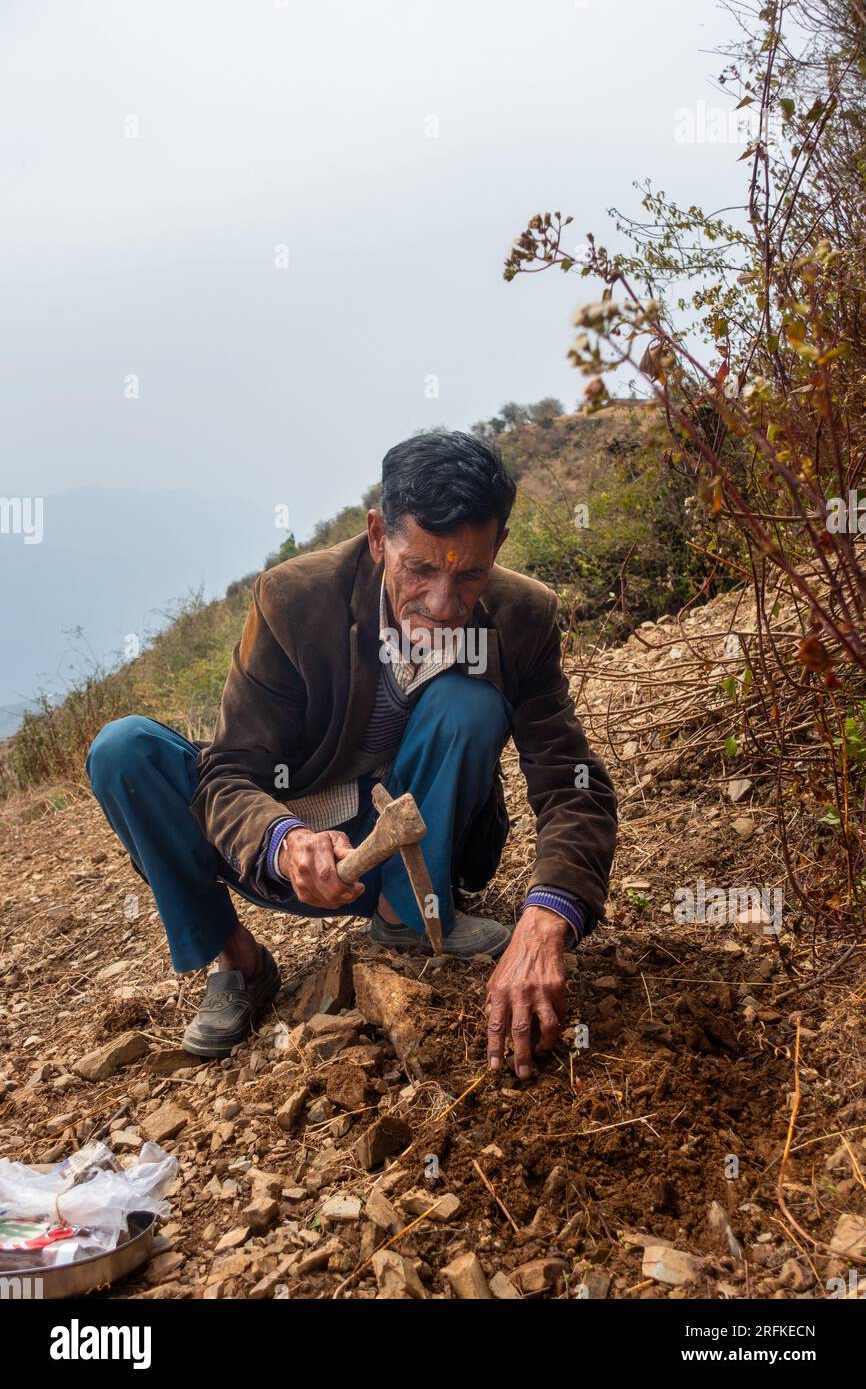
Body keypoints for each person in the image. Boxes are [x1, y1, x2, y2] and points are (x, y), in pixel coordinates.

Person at [87, 431, 617, 1076]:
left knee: (470, 702)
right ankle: (238, 963)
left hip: (420, 844)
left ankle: (408, 916)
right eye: (419, 569)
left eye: (469, 573)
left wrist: (547, 919)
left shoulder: (521, 617)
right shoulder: (295, 599)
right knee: (124, 751)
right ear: (376, 536)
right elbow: (229, 773)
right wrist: (284, 840)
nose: (442, 604)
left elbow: (573, 783)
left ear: (497, 548)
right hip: (291, 843)